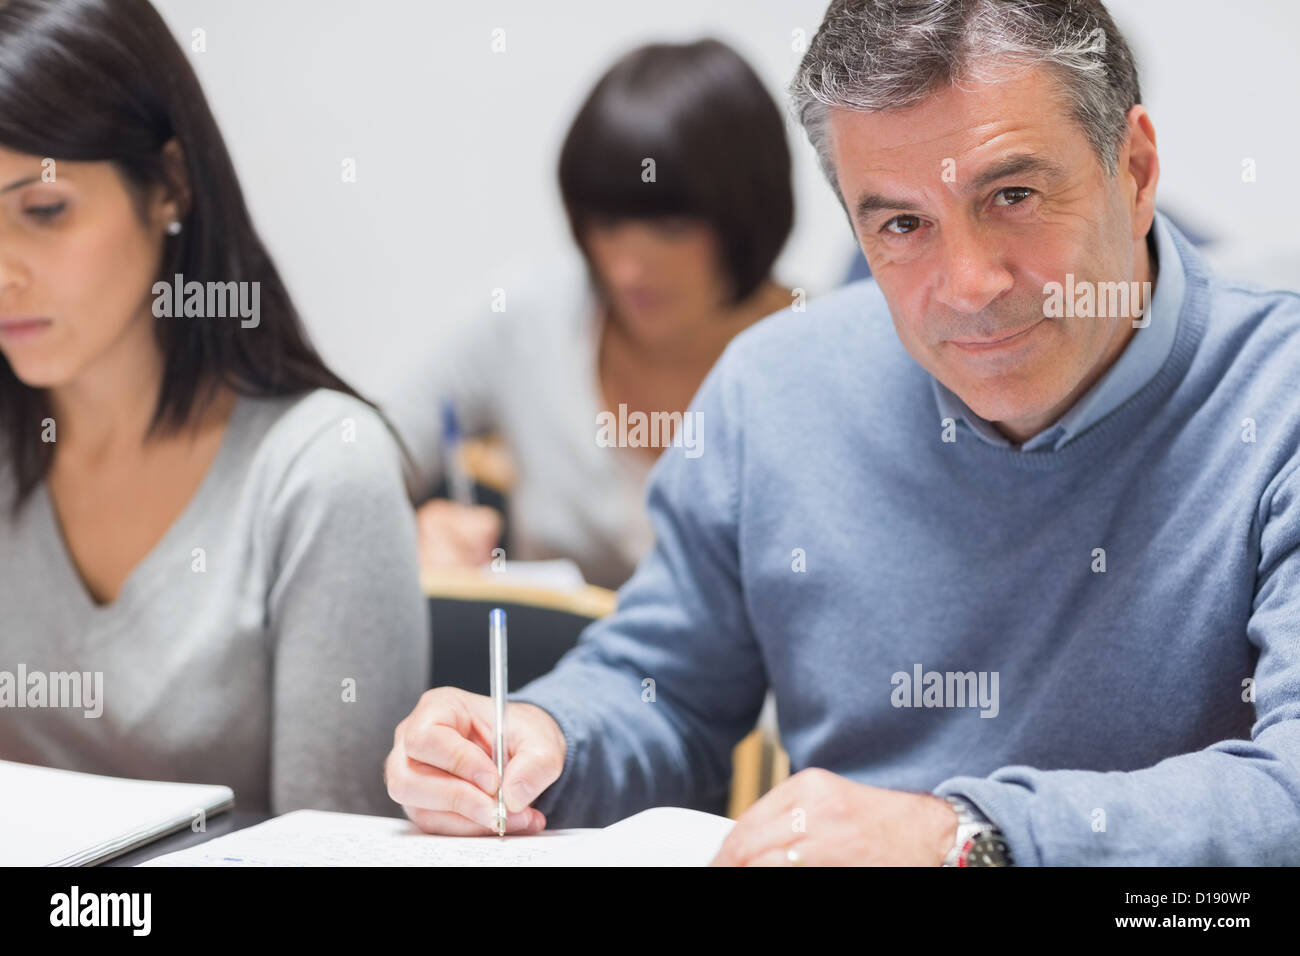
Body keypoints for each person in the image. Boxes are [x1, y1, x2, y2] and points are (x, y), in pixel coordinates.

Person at [385, 0, 1300, 865]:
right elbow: (662, 687)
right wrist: (544, 738)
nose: (968, 283)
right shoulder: (774, 388)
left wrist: (968, 840)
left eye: (1013, 195)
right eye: (903, 223)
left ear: (1135, 171)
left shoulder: (1279, 395)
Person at [0, 0, 427, 817]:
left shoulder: (318, 474)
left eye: (44, 210)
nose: (3, 270)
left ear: (169, 185)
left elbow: (330, 857)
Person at [380, 38, 796, 591]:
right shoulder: (530, 320)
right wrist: (406, 531)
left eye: (670, 228)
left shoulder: (824, 352)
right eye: (606, 224)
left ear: (747, 214)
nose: (627, 269)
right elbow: (355, 456)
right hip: (544, 674)